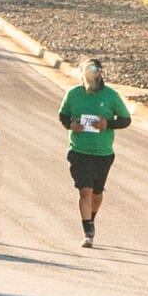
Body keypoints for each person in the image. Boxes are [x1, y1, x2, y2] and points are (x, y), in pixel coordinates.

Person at [58, 57, 132, 248]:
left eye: (97, 69)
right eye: (89, 69)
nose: (93, 72)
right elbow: (63, 115)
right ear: (82, 72)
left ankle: (91, 218)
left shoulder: (111, 96)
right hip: (79, 151)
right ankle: (87, 231)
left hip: (103, 153)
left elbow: (125, 119)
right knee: (85, 191)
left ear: (101, 72)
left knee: (97, 194)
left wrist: (108, 124)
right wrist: (71, 125)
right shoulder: (73, 94)